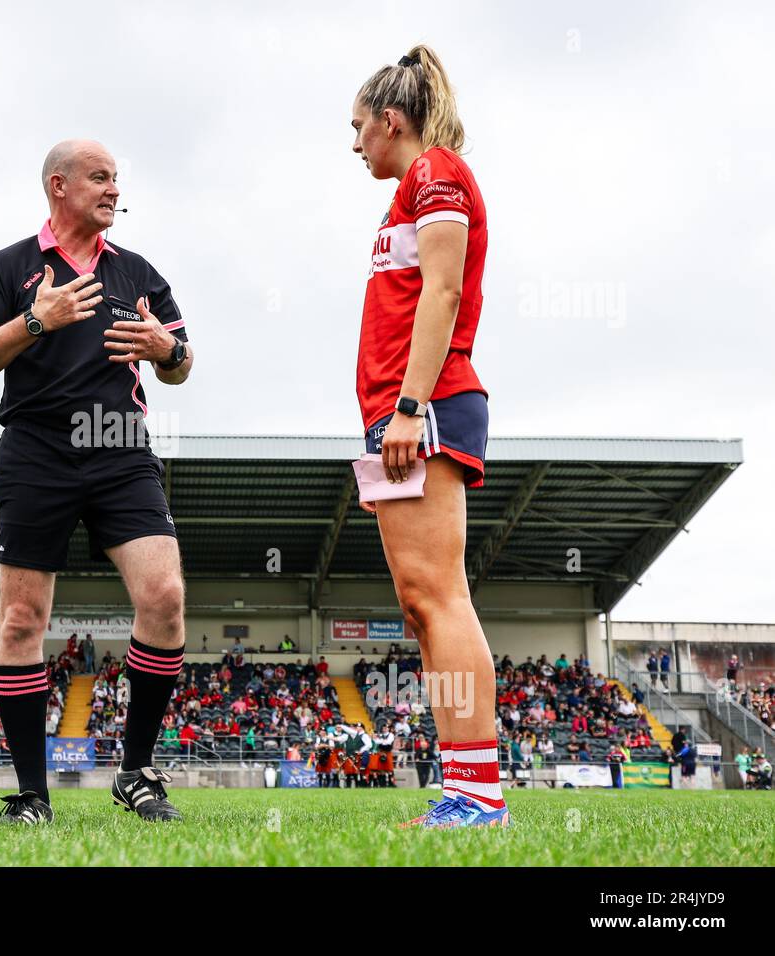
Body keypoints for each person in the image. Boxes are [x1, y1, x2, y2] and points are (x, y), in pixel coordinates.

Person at [0, 138, 193, 824]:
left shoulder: (137, 272)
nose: (114, 189)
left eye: (118, 178)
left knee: (166, 597)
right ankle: (33, 796)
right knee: (23, 619)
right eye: (99, 178)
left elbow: (182, 361)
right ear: (58, 186)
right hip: (36, 452)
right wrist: (35, 320)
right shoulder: (12, 266)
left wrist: (164, 349)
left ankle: (136, 773)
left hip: (121, 451)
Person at [350, 46, 505, 828]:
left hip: (427, 405)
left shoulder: (435, 172)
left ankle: (478, 795)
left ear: (391, 121)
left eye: (358, 129)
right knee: (421, 602)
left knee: (439, 597)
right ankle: (465, 790)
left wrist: (409, 408)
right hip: (403, 409)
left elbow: (442, 289)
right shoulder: (410, 189)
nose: (354, 146)